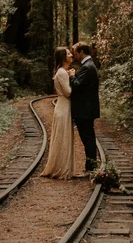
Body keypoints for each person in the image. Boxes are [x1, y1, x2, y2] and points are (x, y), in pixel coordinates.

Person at [41, 47, 74, 178]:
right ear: (63, 57)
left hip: (63, 106)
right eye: (68, 53)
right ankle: (61, 169)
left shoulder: (62, 71)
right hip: (63, 107)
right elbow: (68, 92)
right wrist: (73, 77)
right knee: (62, 137)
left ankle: (61, 167)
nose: (71, 55)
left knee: (63, 137)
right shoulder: (62, 72)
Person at [69, 42, 100, 173]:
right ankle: (91, 166)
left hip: (85, 110)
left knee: (88, 139)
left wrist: (71, 76)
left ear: (82, 52)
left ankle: (91, 167)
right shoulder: (88, 65)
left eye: (75, 52)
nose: (74, 55)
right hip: (86, 109)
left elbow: (77, 85)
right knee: (89, 138)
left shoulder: (87, 67)